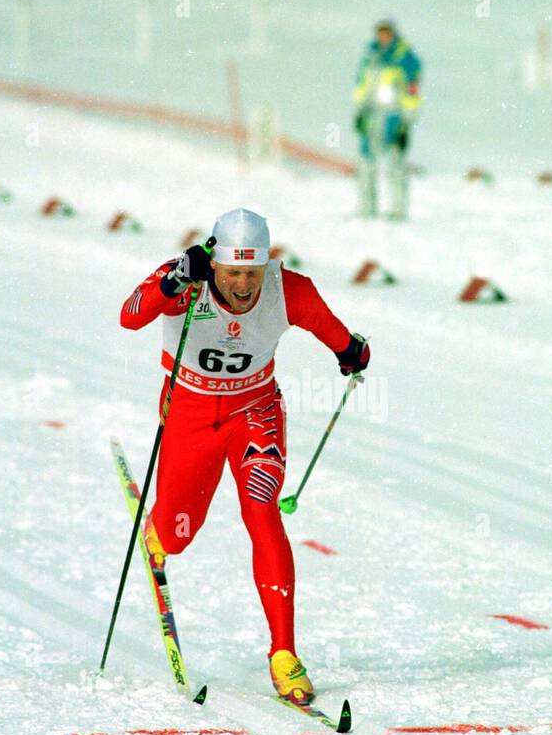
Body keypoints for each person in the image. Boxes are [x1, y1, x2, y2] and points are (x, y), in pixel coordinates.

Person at [119, 208, 370, 706]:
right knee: (175, 536)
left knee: (262, 508)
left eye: (251, 273)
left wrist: (351, 352)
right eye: (232, 272)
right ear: (215, 263)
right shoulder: (187, 277)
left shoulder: (288, 289)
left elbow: (334, 331)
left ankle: (283, 653)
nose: (241, 285)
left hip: (254, 411)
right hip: (190, 414)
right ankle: (160, 529)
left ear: (265, 265)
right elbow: (130, 316)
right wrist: (171, 282)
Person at [352, 18, 422, 219]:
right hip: (371, 114)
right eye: (380, 33)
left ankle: (398, 209)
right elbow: (361, 85)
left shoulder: (405, 57)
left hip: (394, 114)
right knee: (366, 161)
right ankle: (367, 207)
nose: (382, 37)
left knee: (394, 161)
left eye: (386, 33)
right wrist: (359, 111)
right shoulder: (371, 55)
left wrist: (407, 120)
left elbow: (412, 91)